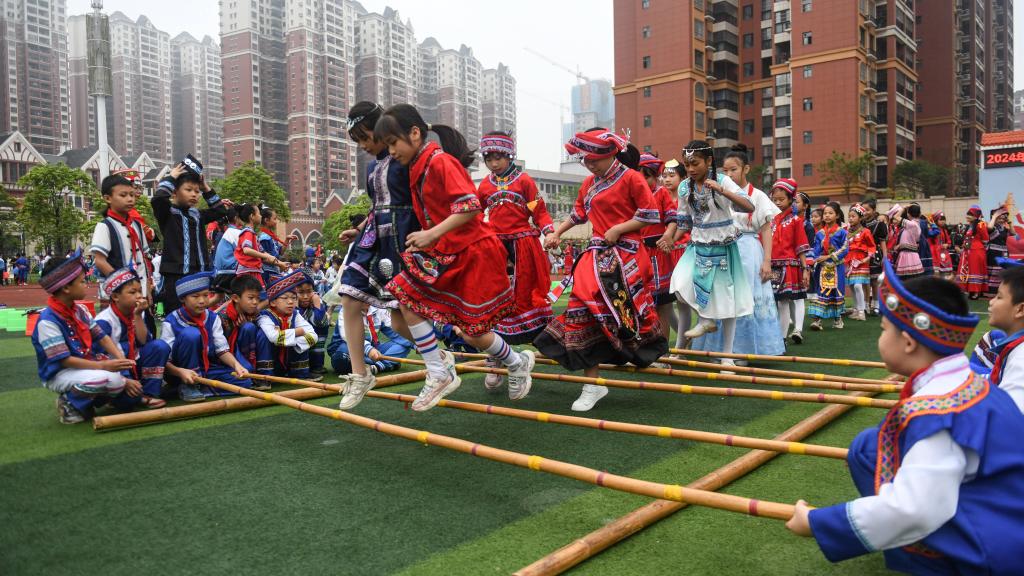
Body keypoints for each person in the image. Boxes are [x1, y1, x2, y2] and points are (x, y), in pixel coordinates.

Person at [786, 261, 1024, 575]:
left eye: (885, 330)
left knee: (906, 508)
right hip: (1005, 519)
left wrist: (818, 523)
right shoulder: (968, 386)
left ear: (909, 342)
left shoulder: (940, 412)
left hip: (995, 551)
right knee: (871, 447)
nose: (881, 338)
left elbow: (914, 510)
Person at [343, 103, 534, 412]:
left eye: (393, 143)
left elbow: (471, 205)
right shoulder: (417, 163)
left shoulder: (439, 161)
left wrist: (430, 234)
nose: (390, 151)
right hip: (445, 249)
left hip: (472, 252)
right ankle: (449, 368)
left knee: (470, 329)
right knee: (409, 297)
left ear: (415, 133)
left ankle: (507, 362)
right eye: (387, 144)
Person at [537, 128, 666, 411]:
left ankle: (644, 349)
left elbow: (649, 215)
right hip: (596, 256)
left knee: (623, 314)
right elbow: (578, 214)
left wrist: (619, 228)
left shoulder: (632, 178)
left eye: (594, 159)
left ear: (610, 155)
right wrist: (556, 233)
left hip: (628, 255)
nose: (589, 164)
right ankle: (592, 385)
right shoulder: (588, 184)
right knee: (582, 308)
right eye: (586, 160)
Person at [335, 101, 421, 396]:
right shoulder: (372, 168)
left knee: (399, 321)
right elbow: (376, 206)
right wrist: (358, 229)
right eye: (356, 140)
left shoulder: (407, 160)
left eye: (364, 137)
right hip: (373, 239)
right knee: (348, 297)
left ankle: (438, 358)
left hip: (402, 240)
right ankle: (360, 374)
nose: (362, 145)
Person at [661, 140, 755, 370]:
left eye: (695, 163)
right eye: (687, 164)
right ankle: (705, 319)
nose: (691, 169)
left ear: (709, 161)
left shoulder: (723, 181)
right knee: (680, 285)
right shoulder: (685, 187)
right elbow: (684, 221)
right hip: (697, 245)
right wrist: (670, 239)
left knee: (727, 302)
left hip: (723, 247)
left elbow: (749, 206)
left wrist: (722, 190)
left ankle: (727, 357)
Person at [475, 131, 554, 390]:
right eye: (489, 159)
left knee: (525, 297)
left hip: (523, 246)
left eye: (498, 158)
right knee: (493, 300)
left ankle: (546, 347)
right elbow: (476, 215)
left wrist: (550, 232)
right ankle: (494, 360)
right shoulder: (485, 185)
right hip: (495, 248)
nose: (494, 163)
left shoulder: (525, 182)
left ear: (509, 156)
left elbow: (539, 212)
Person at [689, 144, 783, 358]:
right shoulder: (714, 191)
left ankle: (744, 352)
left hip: (748, 251)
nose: (729, 174)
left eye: (734, 169)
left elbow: (766, 229)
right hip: (720, 249)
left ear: (746, 169)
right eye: (725, 170)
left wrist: (767, 261)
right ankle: (716, 350)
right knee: (718, 296)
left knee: (744, 297)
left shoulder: (757, 196)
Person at [31, 252, 141, 423]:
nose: (86, 285)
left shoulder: (79, 311)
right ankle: (69, 403)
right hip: (58, 373)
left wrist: (121, 362)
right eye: (82, 281)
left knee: (118, 381)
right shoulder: (48, 321)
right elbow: (64, 361)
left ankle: (87, 402)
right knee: (103, 378)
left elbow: (102, 337)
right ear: (66, 288)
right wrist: (103, 365)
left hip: (82, 367)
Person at [160, 272, 253, 402]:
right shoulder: (171, 321)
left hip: (207, 369)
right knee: (191, 334)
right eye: (195, 296)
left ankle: (188, 389)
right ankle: (187, 385)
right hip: (179, 372)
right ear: (183, 299)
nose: (202, 301)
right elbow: (164, 361)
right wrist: (181, 372)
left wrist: (237, 366)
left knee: (245, 382)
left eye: (206, 295)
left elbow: (222, 351)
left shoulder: (212, 318)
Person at [152, 161, 229, 313]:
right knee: (177, 314)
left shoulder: (198, 214)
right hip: (176, 276)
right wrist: (171, 177)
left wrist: (205, 187)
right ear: (174, 193)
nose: (194, 194)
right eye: (188, 190)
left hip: (199, 273)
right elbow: (158, 200)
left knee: (199, 314)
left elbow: (220, 210)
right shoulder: (167, 214)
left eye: (197, 191)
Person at [92, 267, 170, 409]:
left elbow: (145, 342)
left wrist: (138, 315)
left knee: (160, 346)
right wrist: (124, 380)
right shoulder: (104, 321)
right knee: (128, 402)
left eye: (140, 291)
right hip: (114, 370)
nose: (139, 296)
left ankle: (149, 393)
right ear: (115, 297)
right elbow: (102, 357)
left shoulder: (138, 311)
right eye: (132, 292)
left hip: (134, 362)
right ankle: (118, 396)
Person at [90, 173, 153, 304]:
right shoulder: (104, 226)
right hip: (116, 294)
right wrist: (122, 283)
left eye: (132, 194)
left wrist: (147, 289)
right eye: (123, 195)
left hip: (139, 292)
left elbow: (144, 258)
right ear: (108, 198)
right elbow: (100, 261)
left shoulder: (137, 226)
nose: (130, 199)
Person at [636, 153, 678, 346]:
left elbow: (672, 219)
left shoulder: (661, 194)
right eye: (639, 175)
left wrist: (668, 235)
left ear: (656, 177)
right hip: (637, 254)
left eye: (648, 176)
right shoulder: (632, 195)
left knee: (662, 305)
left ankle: (662, 349)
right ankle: (641, 347)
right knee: (638, 304)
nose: (643, 180)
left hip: (659, 255)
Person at [255, 271, 321, 382]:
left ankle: (300, 373)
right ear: (273, 302)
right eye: (285, 298)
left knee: (302, 339)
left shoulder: (295, 314)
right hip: (272, 362)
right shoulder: (264, 316)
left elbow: (313, 336)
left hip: (287, 362)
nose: (290, 302)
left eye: (293, 298)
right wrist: (296, 332)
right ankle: (264, 377)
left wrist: (291, 338)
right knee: (263, 335)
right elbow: (274, 337)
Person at [768, 178, 811, 344]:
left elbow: (801, 247)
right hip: (772, 266)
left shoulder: (796, 221)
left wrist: (805, 269)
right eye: (775, 200)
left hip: (789, 266)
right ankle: (779, 336)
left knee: (784, 302)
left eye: (781, 199)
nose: (778, 203)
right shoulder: (770, 220)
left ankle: (782, 338)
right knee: (776, 303)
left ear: (791, 200)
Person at [981, 261, 1024, 413]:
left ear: (1020, 309)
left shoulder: (1020, 360)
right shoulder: (1016, 349)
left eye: (999, 297)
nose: (991, 302)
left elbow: (1010, 419)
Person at [327, 302, 414, 376]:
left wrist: (418, 345)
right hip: (348, 349)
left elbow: (396, 333)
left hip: (375, 349)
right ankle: (387, 363)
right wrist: (368, 349)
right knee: (340, 359)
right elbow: (348, 337)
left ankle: (377, 367)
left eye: (369, 295)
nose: (367, 299)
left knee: (403, 345)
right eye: (363, 297)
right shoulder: (347, 310)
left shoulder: (379, 308)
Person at [661, 159, 692, 348]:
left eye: (672, 175)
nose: (667, 179)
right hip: (664, 255)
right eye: (664, 175)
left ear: (683, 177)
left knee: (683, 301)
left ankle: (680, 347)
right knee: (664, 303)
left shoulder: (687, 199)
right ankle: (684, 340)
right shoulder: (659, 198)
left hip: (683, 252)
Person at [213, 274, 263, 378]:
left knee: (250, 328)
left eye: (257, 298)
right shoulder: (221, 318)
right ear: (235, 298)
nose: (255, 302)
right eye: (251, 298)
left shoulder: (253, 314)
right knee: (246, 373)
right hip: (223, 357)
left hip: (241, 355)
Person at [808, 202, 848, 331]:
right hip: (822, 268)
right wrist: (815, 259)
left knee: (836, 292)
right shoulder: (820, 233)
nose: (827, 216)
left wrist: (828, 257)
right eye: (825, 213)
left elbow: (845, 248)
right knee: (822, 291)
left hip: (836, 267)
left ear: (837, 216)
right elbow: (816, 250)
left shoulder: (841, 232)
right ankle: (817, 320)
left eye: (830, 213)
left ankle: (838, 319)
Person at [235, 203, 283, 290]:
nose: (261, 216)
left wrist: (280, 263)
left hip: (253, 270)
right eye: (259, 214)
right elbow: (246, 250)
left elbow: (263, 252)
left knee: (260, 298)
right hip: (248, 271)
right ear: (252, 216)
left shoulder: (253, 234)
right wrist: (265, 256)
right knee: (260, 298)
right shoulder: (248, 232)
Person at [845, 204, 877, 322]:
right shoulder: (846, 232)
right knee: (852, 286)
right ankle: (855, 310)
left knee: (858, 285)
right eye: (849, 216)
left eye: (853, 216)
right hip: (849, 262)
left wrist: (866, 259)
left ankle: (861, 311)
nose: (850, 218)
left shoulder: (866, 232)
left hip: (861, 261)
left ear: (860, 218)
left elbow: (872, 247)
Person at [295, 271, 330, 375]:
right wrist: (296, 307)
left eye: (309, 291)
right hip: (297, 353)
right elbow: (296, 324)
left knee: (321, 327)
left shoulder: (317, 303)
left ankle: (317, 365)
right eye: (301, 292)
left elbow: (321, 322)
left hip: (314, 350)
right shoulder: (290, 306)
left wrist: (316, 303)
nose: (305, 296)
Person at [860, 199, 889, 315]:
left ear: (874, 210)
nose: (865, 212)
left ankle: (876, 305)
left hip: (875, 255)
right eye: (863, 210)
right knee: (864, 282)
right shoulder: (860, 224)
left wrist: (885, 256)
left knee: (875, 282)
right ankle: (865, 305)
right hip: (862, 255)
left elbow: (882, 242)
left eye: (867, 210)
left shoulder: (879, 224)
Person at [958, 205, 989, 300]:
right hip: (968, 251)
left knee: (975, 270)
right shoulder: (970, 226)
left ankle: (975, 291)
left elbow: (986, 239)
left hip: (976, 251)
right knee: (967, 270)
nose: (967, 216)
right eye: (967, 214)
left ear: (976, 216)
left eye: (970, 215)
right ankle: (969, 290)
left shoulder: (981, 225)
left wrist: (975, 245)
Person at [211, 205, 243, 294]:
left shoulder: (230, 231)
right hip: (229, 273)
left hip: (221, 273)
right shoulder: (235, 232)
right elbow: (246, 252)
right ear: (236, 218)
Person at [258, 208, 293, 285]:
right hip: (268, 271)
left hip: (274, 270)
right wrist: (280, 264)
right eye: (274, 219)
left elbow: (280, 252)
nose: (276, 221)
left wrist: (287, 240)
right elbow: (264, 258)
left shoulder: (271, 236)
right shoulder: (264, 238)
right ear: (266, 220)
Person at [890, 205, 924, 280]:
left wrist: (904, 207)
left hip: (908, 256)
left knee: (907, 281)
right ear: (919, 214)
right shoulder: (915, 224)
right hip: (911, 255)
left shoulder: (911, 224)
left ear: (908, 214)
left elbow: (895, 216)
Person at [986, 206, 1010, 298]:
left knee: (1001, 272)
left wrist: (1009, 222)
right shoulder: (992, 226)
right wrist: (994, 217)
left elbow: (1013, 232)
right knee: (993, 272)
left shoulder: (1004, 228)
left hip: (1003, 254)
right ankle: (990, 292)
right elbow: (989, 227)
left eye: (1002, 217)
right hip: (993, 253)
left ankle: (1000, 292)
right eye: (999, 217)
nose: (1001, 219)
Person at [929, 211, 953, 279]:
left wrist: (947, 245)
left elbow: (949, 241)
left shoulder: (944, 230)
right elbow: (929, 242)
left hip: (943, 253)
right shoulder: (932, 229)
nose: (943, 221)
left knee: (946, 273)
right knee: (936, 272)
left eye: (944, 219)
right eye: (941, 219)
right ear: (936, 220)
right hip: (934, 253)